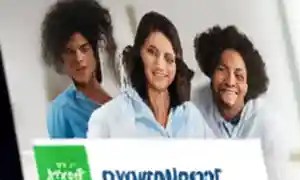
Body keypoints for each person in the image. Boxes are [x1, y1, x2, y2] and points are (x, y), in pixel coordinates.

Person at [86, 11, 210, 139]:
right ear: (139, 54)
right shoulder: (107, 119)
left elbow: (218, 156)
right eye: (152, 52)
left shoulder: (191, 116)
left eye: (169, 59)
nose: (160, 65)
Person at [191, 25, 283, 165]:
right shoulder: (191, 107)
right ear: (211, 73)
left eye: (239, 76)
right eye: (222, 70)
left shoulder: (267, 122)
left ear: (248, 85)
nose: (230, 82)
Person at [39, 0, 116, 139]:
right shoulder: (62, 110)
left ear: (94, 51)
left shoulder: (121, 96)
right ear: (61, 57)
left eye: (84, 48)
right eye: (70, 51)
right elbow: (61, 159)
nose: (79, 58)